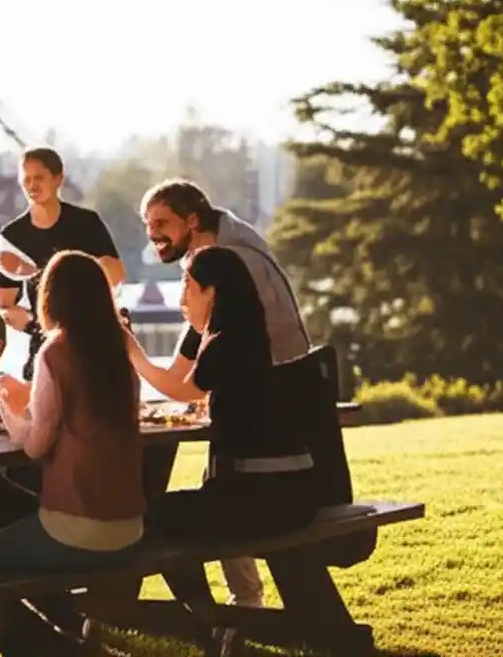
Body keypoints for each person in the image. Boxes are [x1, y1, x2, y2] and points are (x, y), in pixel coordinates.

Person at [127, 178, 353, 608]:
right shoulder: (221, 265)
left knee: (175, 511)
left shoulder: (231, 269)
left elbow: (185, 380)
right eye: (146, 224)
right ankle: (243, 605)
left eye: (161, 222)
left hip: (283, 423)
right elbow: (185, 371)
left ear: (192, 221)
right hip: (280, 454)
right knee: (216, 484)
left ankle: (224, 615)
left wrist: (131, 352)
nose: (152, 233)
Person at [0, 250, 144, 656]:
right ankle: (67, 642)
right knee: (9, 526)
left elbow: (34, 446)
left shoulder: (56, 352)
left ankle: (62, 652)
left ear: (51, 298)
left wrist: (10, 413)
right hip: (130, 527)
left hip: (76, 528)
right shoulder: (119, 352)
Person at [0, 147, 126, 381]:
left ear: (58, 179)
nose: (32, 186)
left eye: (39, 178)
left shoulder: (86, 223)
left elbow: (116, 273)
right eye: (26, 180)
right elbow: (3, 304)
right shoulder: (13, 236)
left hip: (94, 338)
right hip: (44, 345)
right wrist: (34, 325)